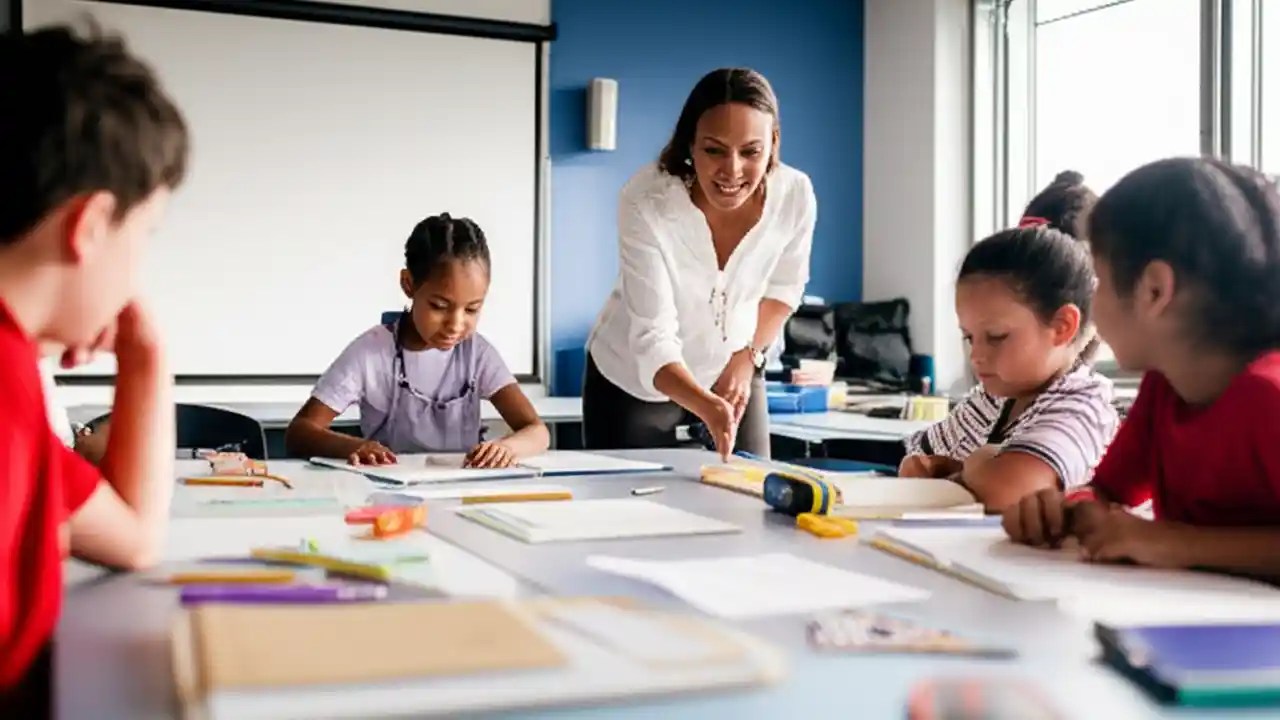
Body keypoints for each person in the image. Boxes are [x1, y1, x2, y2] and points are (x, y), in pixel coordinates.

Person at [0, 24, 187, 703]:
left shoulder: (17, 373)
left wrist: (144, 353)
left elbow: (133, 537)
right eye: (145, 236)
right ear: (90, 226)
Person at [1004, 158, 1280, 579]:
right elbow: (1106, 493)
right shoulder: (1164, 387)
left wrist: (1174, 542)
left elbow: (1161, 540)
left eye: (1097, 281)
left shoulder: (1268, 396)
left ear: (1154, 290)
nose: (1092, 308)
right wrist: (1065, 511)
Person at [583, 67, 817, 459]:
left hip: (736, 370)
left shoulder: (795, 195)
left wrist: (747, 359)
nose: (732, 170)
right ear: (690, 143)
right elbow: (653, 338)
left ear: (773, 142)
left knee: (751, 500)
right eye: (714, 149)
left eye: (750, 151)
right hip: (636, 383)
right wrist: (706, 405)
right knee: (635, 514)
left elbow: (784, 289)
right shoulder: (646, 201)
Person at [899, 173, 1118, 511]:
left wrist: (976, 463)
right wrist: (934, 468)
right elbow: (922, 455)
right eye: (969, 338)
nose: (977, 356)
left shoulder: (1083, 405)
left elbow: (1014, 488)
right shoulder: (997, 397)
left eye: (997, 337)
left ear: (1062, 326)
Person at [286, 213, 549, 468]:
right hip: (389, 498)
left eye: (471, 309)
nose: (455, 325)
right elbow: (300, 432)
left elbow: (537, 431)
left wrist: (507, 448)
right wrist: (354, 446)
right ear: (408, 284)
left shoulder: (477, 353)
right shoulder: (370, 353)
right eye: (439, 306)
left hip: (462, 491)